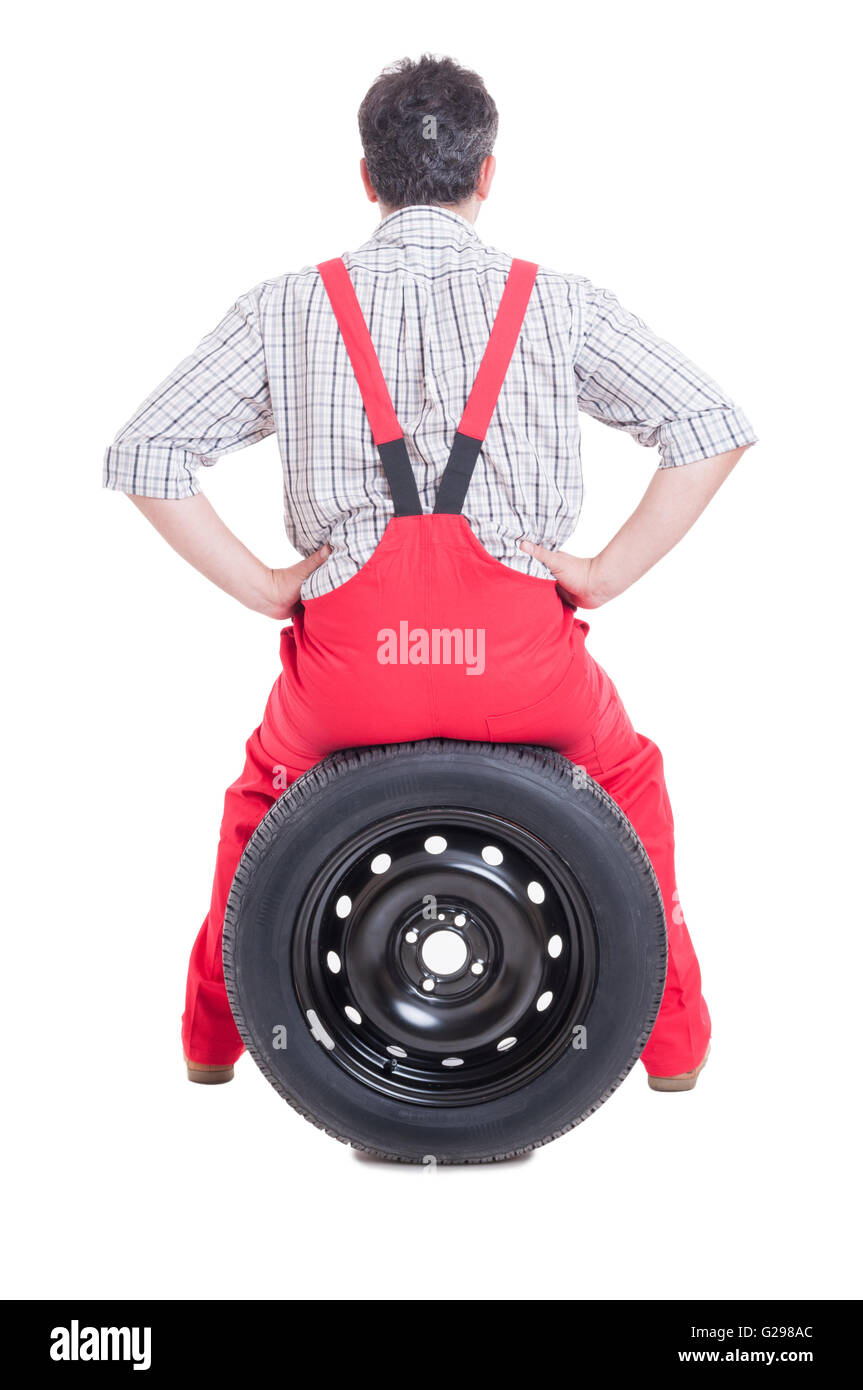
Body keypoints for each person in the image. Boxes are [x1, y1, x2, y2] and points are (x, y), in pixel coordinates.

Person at [103, 54, 757, 1094]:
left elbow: (143, 451)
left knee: (261, 797)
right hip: (520, 665)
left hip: (349, 670)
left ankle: (210, 1041)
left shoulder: (285, 306)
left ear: (365, 177)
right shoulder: (557, 302)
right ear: (486, 173)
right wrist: (603, 570)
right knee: (628, 781)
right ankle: (672, 1047)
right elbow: (710, 424)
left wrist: (267, 586)